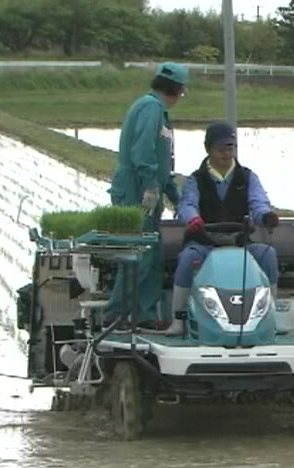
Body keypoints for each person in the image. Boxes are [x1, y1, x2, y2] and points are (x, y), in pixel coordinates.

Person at [166, 121, 281, 336]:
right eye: (221, 148)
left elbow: (258, 202)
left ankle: (270, 318)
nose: (226, 153)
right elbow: (187, 204)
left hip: (240, 244)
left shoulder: (247, 177)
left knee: (268, 255)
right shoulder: (195, 180)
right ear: (208, 149)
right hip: (204, 244)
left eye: (230, 148)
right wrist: (193, 219)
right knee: (186, 259)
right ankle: (178, 319)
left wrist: (265, 215)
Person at [104, 61, 188, 330]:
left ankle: (144, 315)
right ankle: (116, 315)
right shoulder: (150, 108)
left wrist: (175, 196)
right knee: (137, 254)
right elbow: (143, 153)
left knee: (152, 254)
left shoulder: (158, 111)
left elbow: (164, 164)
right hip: (136, 190)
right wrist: (151, 186)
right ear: (176, 90)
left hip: (148, 188)